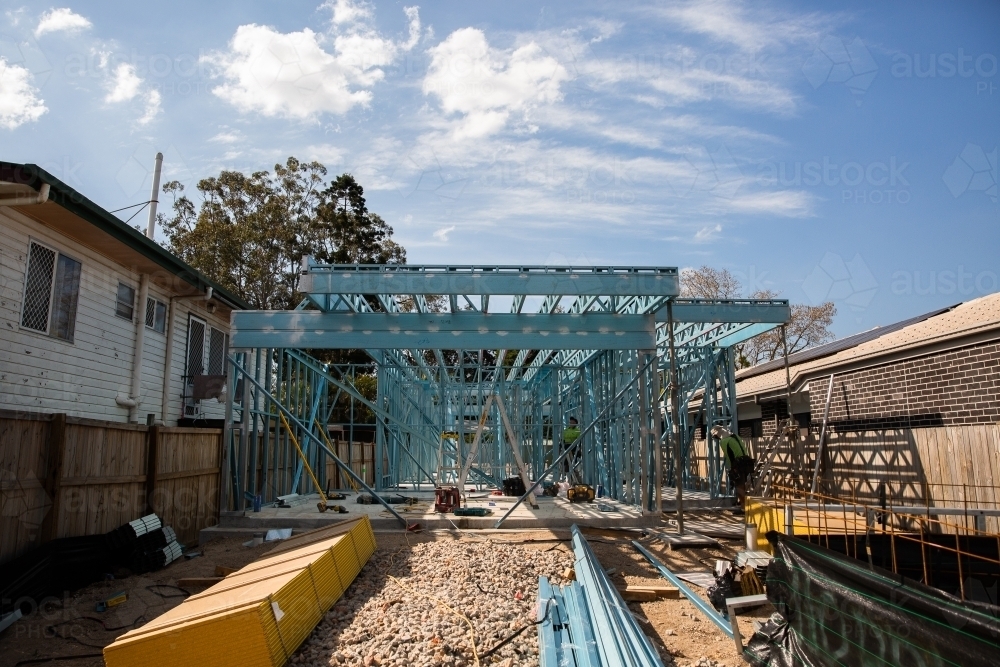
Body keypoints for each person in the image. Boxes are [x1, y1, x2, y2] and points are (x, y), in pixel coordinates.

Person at [711, 424, 753, 509]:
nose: (717, 438)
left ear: (717, 434)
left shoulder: (724, 441)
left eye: (716, 437)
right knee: (743, 484)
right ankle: (741, 503)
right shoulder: (735, 436)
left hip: (738, 464)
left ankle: (743, 507)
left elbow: (729, 456)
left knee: (739, 486)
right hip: (747, 461)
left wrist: (731, 469)